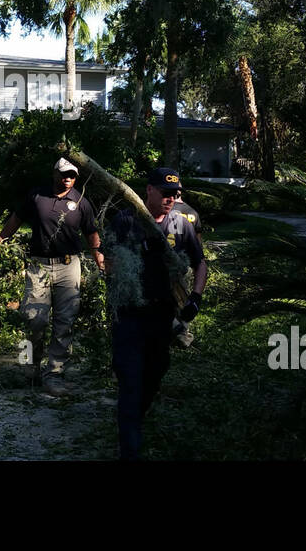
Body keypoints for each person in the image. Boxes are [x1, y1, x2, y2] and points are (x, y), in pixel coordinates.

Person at [101, 167, 208, 460]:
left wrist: (195, 298)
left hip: (163, 316)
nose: (170, 199)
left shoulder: (181, 224)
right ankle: (129, 449)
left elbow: (200, 263)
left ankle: (134, 420)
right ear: (148, 190)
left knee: (155, 374)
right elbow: (106, 261)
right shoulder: (125, 221)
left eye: (175, 194)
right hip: (130, 315)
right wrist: (135, 256)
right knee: (130, 380)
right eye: (164, 192)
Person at [0, 157, 102, 396]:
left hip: (69, 266)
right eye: (64, 174)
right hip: (38, 266)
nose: (68, 179)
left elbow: (91, 232)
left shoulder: (81, 201)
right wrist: (0, 242)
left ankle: (54, 373)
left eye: (72, 175)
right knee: (33, 318)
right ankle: (28, 365)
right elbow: (16, 218)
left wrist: (99, 258)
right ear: (54, 173)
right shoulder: (37, 196)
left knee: (65, 322)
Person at [171, 194, 203, 348]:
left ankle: (179, 333)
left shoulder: (169, 211)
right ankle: (182, 334)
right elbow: (198, 243)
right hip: (185, 263)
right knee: (183, 300)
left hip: (169, 261)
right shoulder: (193, 212)